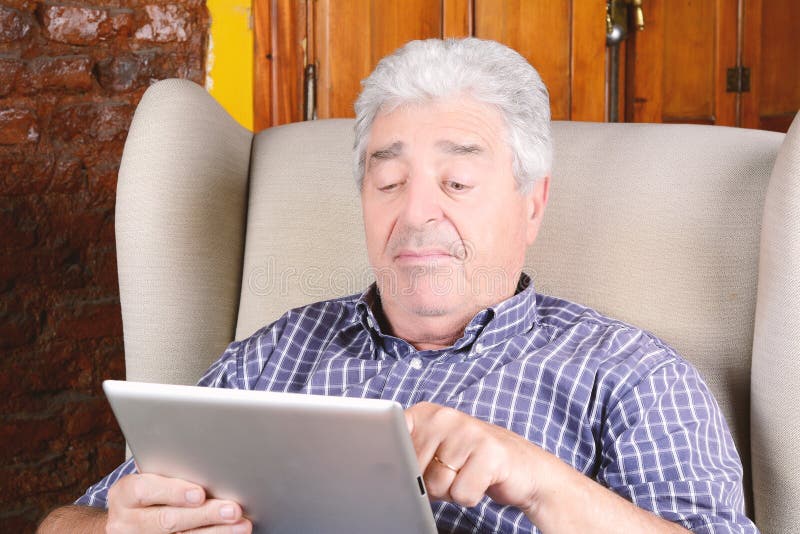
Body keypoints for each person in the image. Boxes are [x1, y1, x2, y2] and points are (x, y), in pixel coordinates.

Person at [39, 38, 758, 534]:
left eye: (458, 181)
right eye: (388, 182)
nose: (416, 213)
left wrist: (541, 483)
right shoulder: (274, 356)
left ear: (532, 204)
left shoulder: (630, 373)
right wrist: (117, 528)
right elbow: (64, 521)